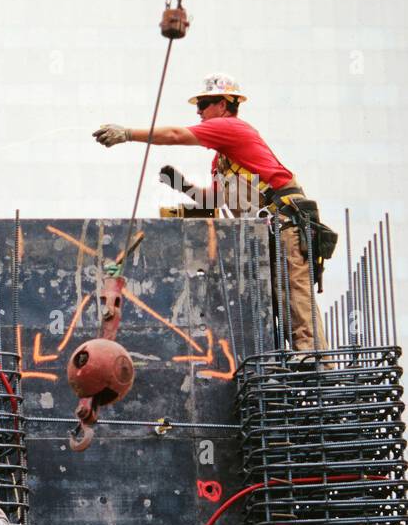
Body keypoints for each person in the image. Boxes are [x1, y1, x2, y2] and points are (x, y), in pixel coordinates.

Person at [92, 72, 332, 351]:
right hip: (271, 230)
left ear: (223, 105)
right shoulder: (223, 159)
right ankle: (303, 355)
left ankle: (315, 358)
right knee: (278, 296)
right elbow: (212, 201)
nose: (199, 111)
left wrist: (128, 134)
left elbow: (175, 134)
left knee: (293, 292)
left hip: (286, 223)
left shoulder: (233, 128)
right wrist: (184, 187)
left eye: (204, 104)